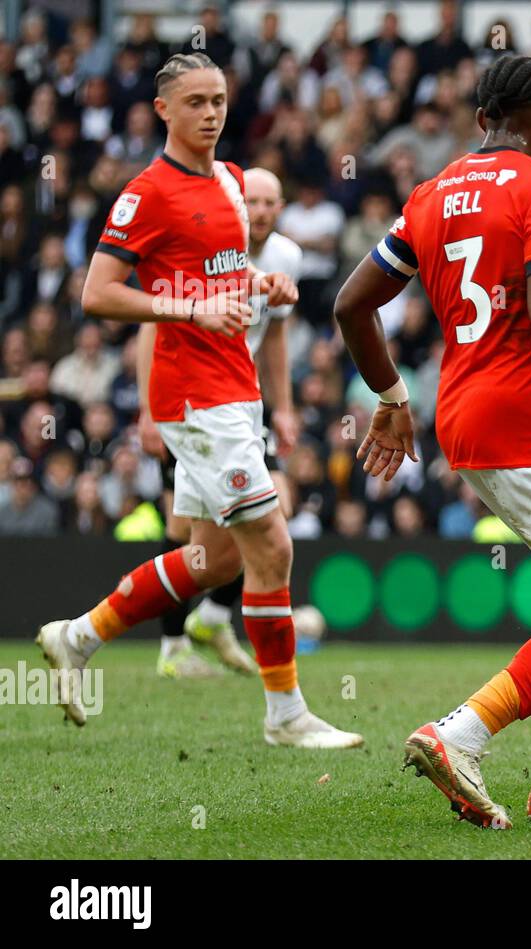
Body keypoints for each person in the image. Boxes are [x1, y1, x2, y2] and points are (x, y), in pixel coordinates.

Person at [334, 55, 531, 828]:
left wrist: (391, 397)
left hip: (458, 416)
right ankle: (462, 732)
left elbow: (351, 304)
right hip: (528, 414)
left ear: (482, 119)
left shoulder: (430, 193)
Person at [36, 52, 362, 750]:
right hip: (194, 397)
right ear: (163, 110)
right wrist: (189, 310)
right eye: (195, 102)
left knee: (215, 559)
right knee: (272, 543)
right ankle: (286, 715)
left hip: (235, 390)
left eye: (218, 100)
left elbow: (218, 274)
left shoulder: (231, 181)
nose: (211, 113)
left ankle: (78, 636)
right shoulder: (146, 193)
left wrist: (260, 286)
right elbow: (98, 293)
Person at [141, 167, 302, 679]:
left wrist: (284, 407)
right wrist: (146, 411)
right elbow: (153, 325)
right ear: (237, 205)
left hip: (244, 404)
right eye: (252, 201)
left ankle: (212, 617)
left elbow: (273, 336)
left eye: (270, 202)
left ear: (281, 208)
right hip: (192, 401)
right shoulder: (203, 245)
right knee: (184, 531)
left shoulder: (286, 257)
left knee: (276, 510)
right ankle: (171, 645)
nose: (261, 211)